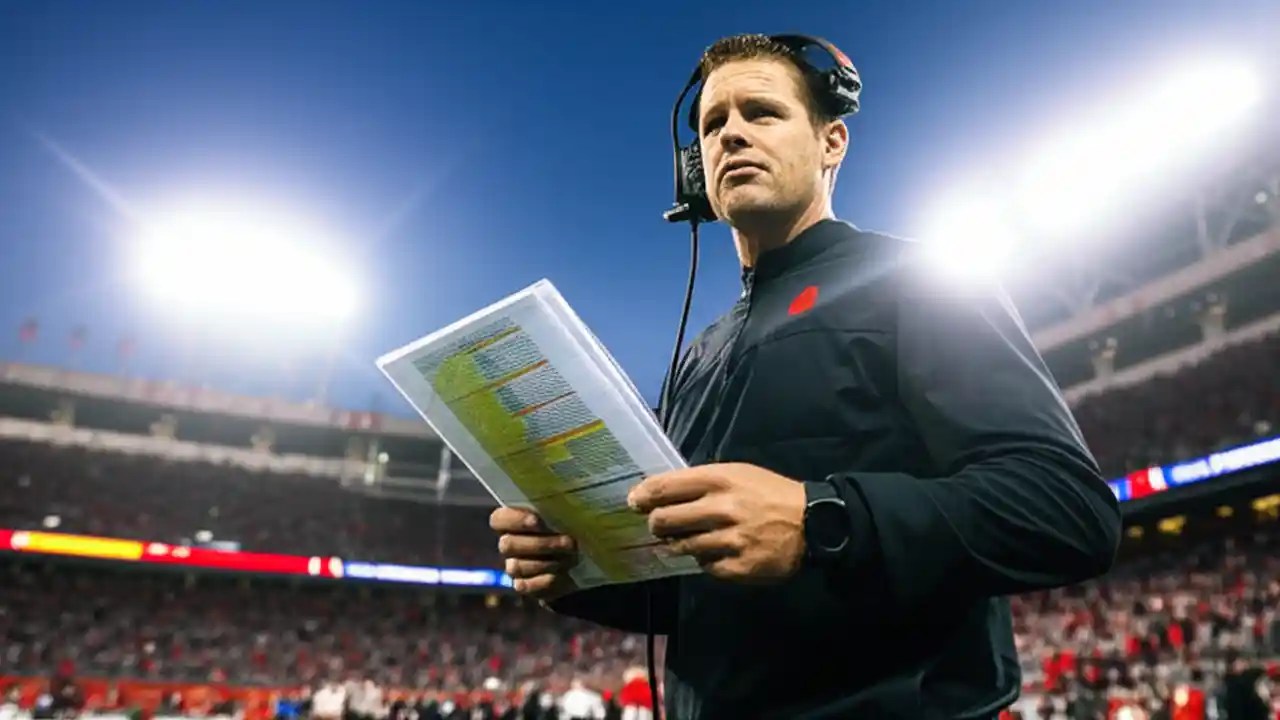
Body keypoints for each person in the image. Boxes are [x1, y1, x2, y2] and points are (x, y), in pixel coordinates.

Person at [490, 32, 1122, 719]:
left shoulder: (917, 281)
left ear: (832, 143)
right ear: (693, 167)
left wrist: (821, 517)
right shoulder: (697, 357)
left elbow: (1068, 511)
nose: (731, 134)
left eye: (761, 112)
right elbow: (692, 593)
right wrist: (575, 572)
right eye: (712, 123)